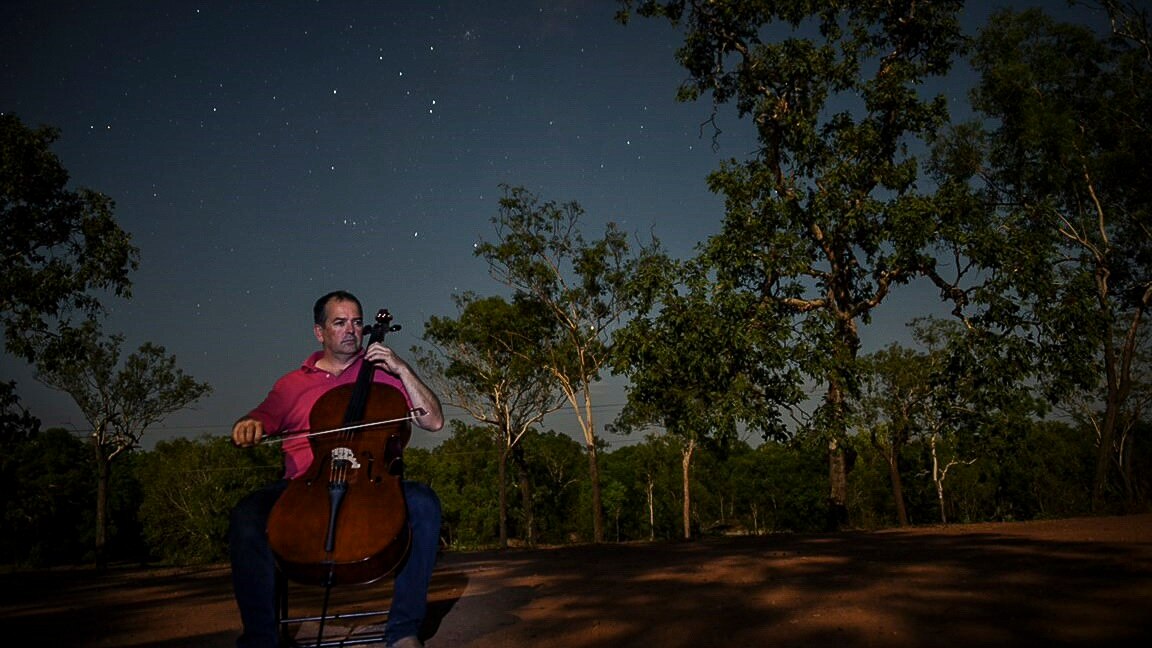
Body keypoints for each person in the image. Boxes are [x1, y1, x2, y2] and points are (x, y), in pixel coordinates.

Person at [229, 290, 444, 648]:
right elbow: (262, 416)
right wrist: (249, 424)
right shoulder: (292, 383)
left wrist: (402, 369)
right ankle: (261, 640)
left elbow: (433, 421)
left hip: (370, 487)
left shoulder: (384, 377)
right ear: (320, 332)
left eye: (357, 323)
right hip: (303, 488)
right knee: (247, 516)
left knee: (423, 503)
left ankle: (403, 631)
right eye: (340, 322)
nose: (351, 331)